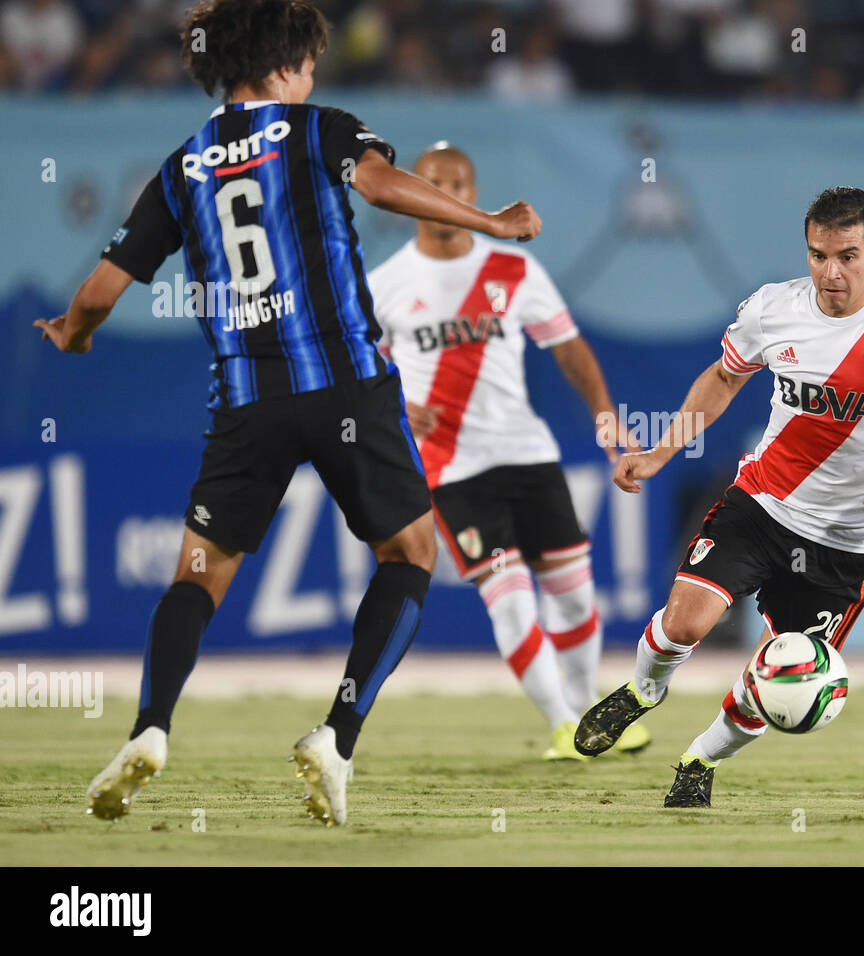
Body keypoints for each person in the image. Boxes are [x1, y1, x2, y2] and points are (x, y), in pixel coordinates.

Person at [33, 0, 540, 826]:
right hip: (345, 384)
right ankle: (337, 736)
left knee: (196, 576)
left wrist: (73, 333)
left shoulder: (182, 165)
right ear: (280, 67)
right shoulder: (316, 128)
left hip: (246, 402)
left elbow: (99, 291)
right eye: (306, 63)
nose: (311, 77)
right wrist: (488, 220)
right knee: (411, 552)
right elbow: (378, 185)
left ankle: (150, 727)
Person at [574, 186, 864, 807]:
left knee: (782, 683)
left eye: (847, 255)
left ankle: (699, 760)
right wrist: (661, 451)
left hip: (845, 544)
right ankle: (642, 692)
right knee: (685, 621)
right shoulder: (773, 307)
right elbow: (723, 377)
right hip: (761, 503)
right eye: (818, 255)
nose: (830, 272)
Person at [367, 142, 646, 761]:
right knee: (513, 599)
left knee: (574, 595)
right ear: (416, 193)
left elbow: (568, 347)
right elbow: (358, 372)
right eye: (433, 184)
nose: (446, 196)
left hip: (527, 454)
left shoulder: (514, 270)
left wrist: (604, 414)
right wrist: (395, 408)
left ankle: (588, 714)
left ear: (472, 194)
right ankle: (561, 726)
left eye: (459, 185)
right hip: (451, 469)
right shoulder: (383, 286)